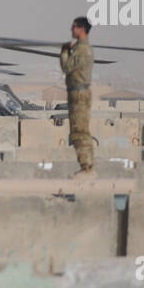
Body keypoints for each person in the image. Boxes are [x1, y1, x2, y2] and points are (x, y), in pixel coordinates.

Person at [60, 16, 95, 176]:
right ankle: (86, 165)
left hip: (78, 94)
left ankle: (86, 166)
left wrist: (64, 51)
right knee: (80, 130)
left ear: (82, 29)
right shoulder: (81, 48)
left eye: (74, 27)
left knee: (79, 131)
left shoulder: (81, 50)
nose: (71, 30)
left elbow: (66, 67)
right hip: (78, 92)